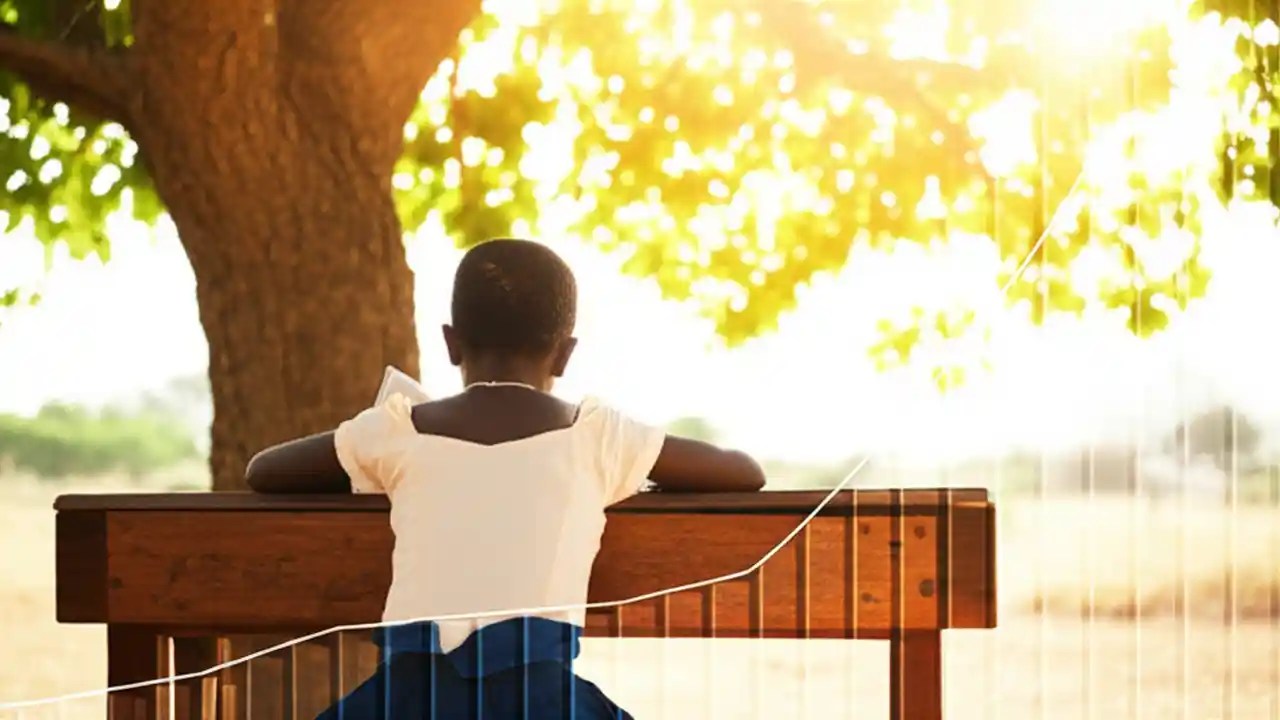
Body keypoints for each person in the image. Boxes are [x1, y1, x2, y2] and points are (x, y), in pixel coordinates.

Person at [244, 238, 767, 719]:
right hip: (540, 703)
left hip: (405, 699)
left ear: (451, 343)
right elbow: (743, 473)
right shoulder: (597, 438)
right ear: (564, 353)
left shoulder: (399, 430)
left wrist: (383, 446)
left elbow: (265, 471)